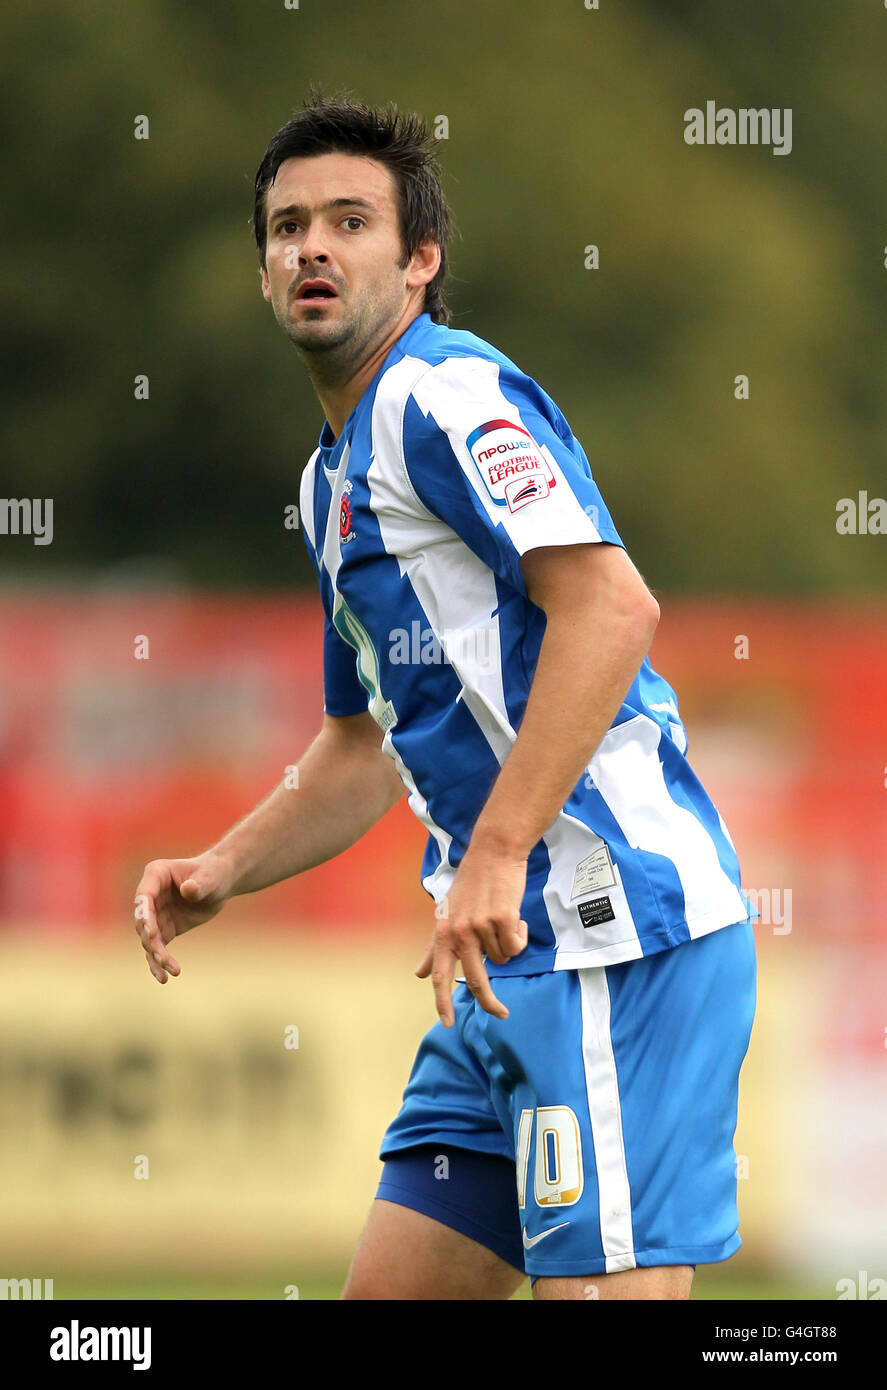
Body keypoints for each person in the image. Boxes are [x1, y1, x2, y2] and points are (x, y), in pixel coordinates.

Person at [133, 88, 757, 1301]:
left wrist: (498, 850)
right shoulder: (328, 482)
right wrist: (223, 867)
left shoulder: (444, 393)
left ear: (419, 260)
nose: (311, 247)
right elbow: (364, 745)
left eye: (349, 221)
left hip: (608, 934)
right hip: (494, 963)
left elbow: (610, 609)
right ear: (261, 273)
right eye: (286, 227)